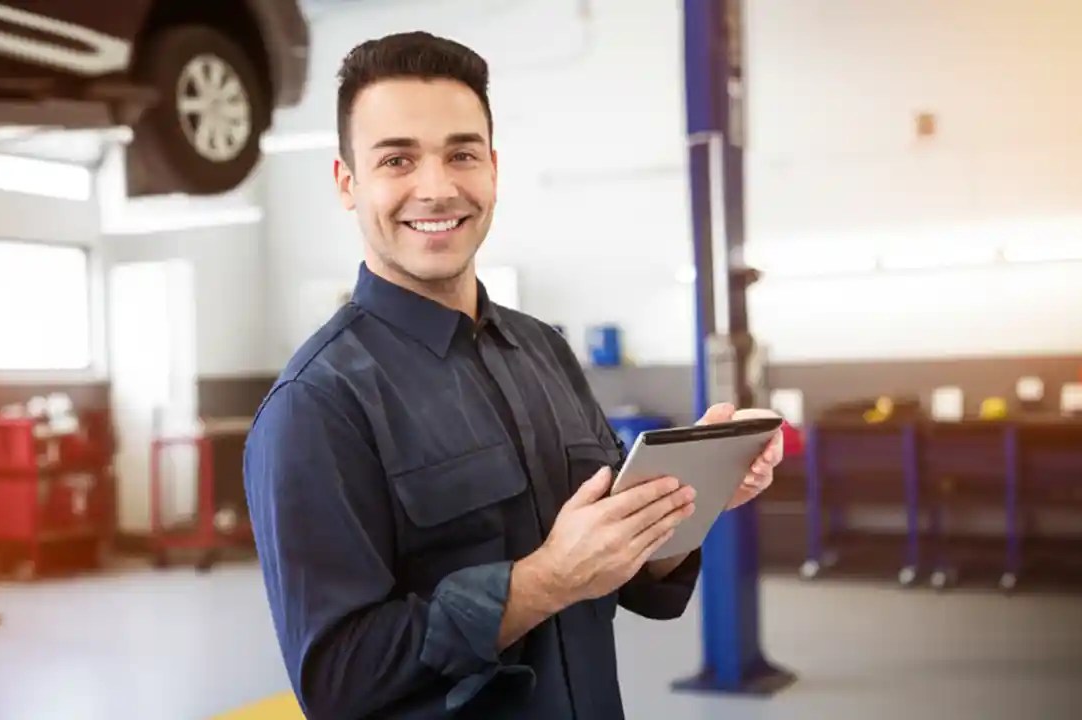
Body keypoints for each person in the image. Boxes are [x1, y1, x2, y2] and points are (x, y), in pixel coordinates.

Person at [243, 31, 784, 720]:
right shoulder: (316, 405)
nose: (436, 188)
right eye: (397, 159)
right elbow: (338, 676)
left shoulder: (544, 353)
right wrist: (543, 583)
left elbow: (637, 584)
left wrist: (689, 500)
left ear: (493, 169)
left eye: (461, 154)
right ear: (348, 183)